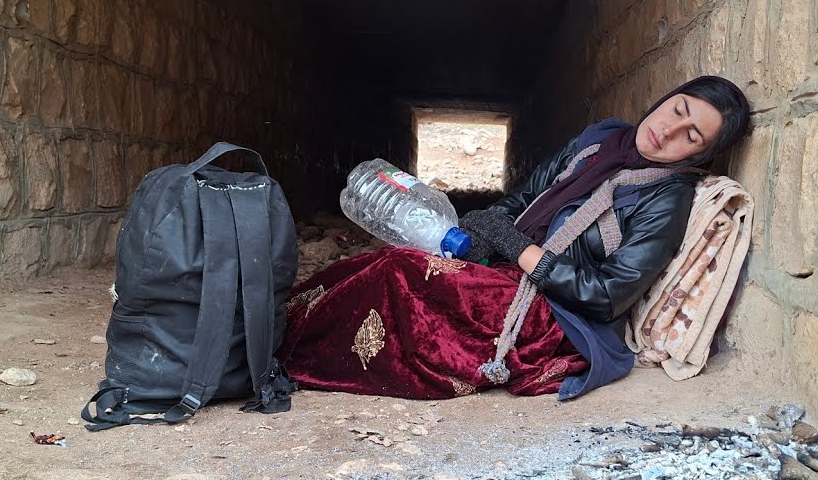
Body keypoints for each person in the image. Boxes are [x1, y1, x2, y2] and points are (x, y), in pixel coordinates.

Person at [279, 76, 751, 401]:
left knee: (399, 276)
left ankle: (286, 356)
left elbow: (607, 296)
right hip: (508, 268)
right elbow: (524, 197)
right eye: (678, 110)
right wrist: (482, 230)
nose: (668, 131)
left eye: (691, 137)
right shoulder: (603, 138)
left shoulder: (666, 197)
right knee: (386, 258)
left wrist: (520, 250)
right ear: (667, 97)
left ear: (701, 155)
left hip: (553, 313)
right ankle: (273, 329)